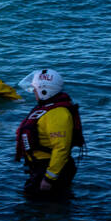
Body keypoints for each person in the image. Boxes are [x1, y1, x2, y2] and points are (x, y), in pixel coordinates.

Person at [14, 69, 84, 200]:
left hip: (50, 170)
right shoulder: (48, 108)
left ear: (44, 90)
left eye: (35, 88)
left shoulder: (58, 113)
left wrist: (49, 178)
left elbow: (61, 148)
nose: (34, 91)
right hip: (42, 168)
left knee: (47, 208)